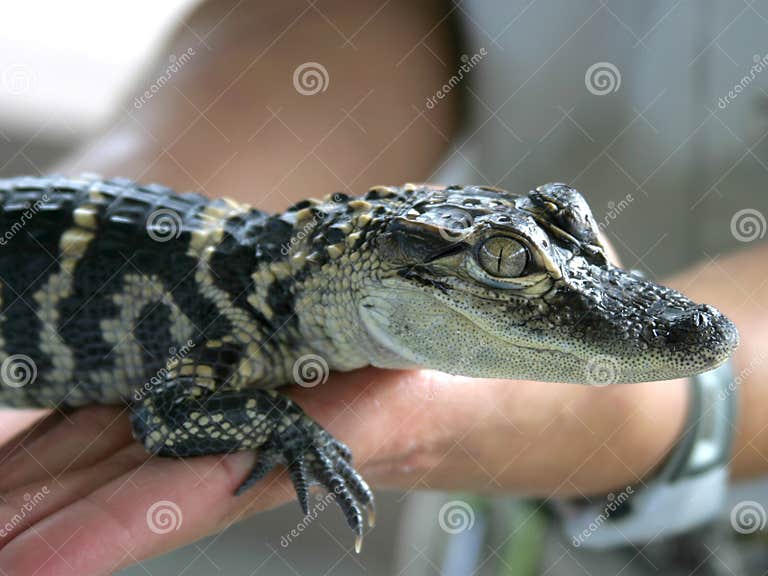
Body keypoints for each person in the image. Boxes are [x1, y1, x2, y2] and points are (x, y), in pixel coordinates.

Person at [0, 1, 767, 574]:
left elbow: (171, 412)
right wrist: (290, 426)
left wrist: (672, 414)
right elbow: (167, 416)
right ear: (377, 264)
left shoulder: (267, 311)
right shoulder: (246, 322)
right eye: (506, 263)